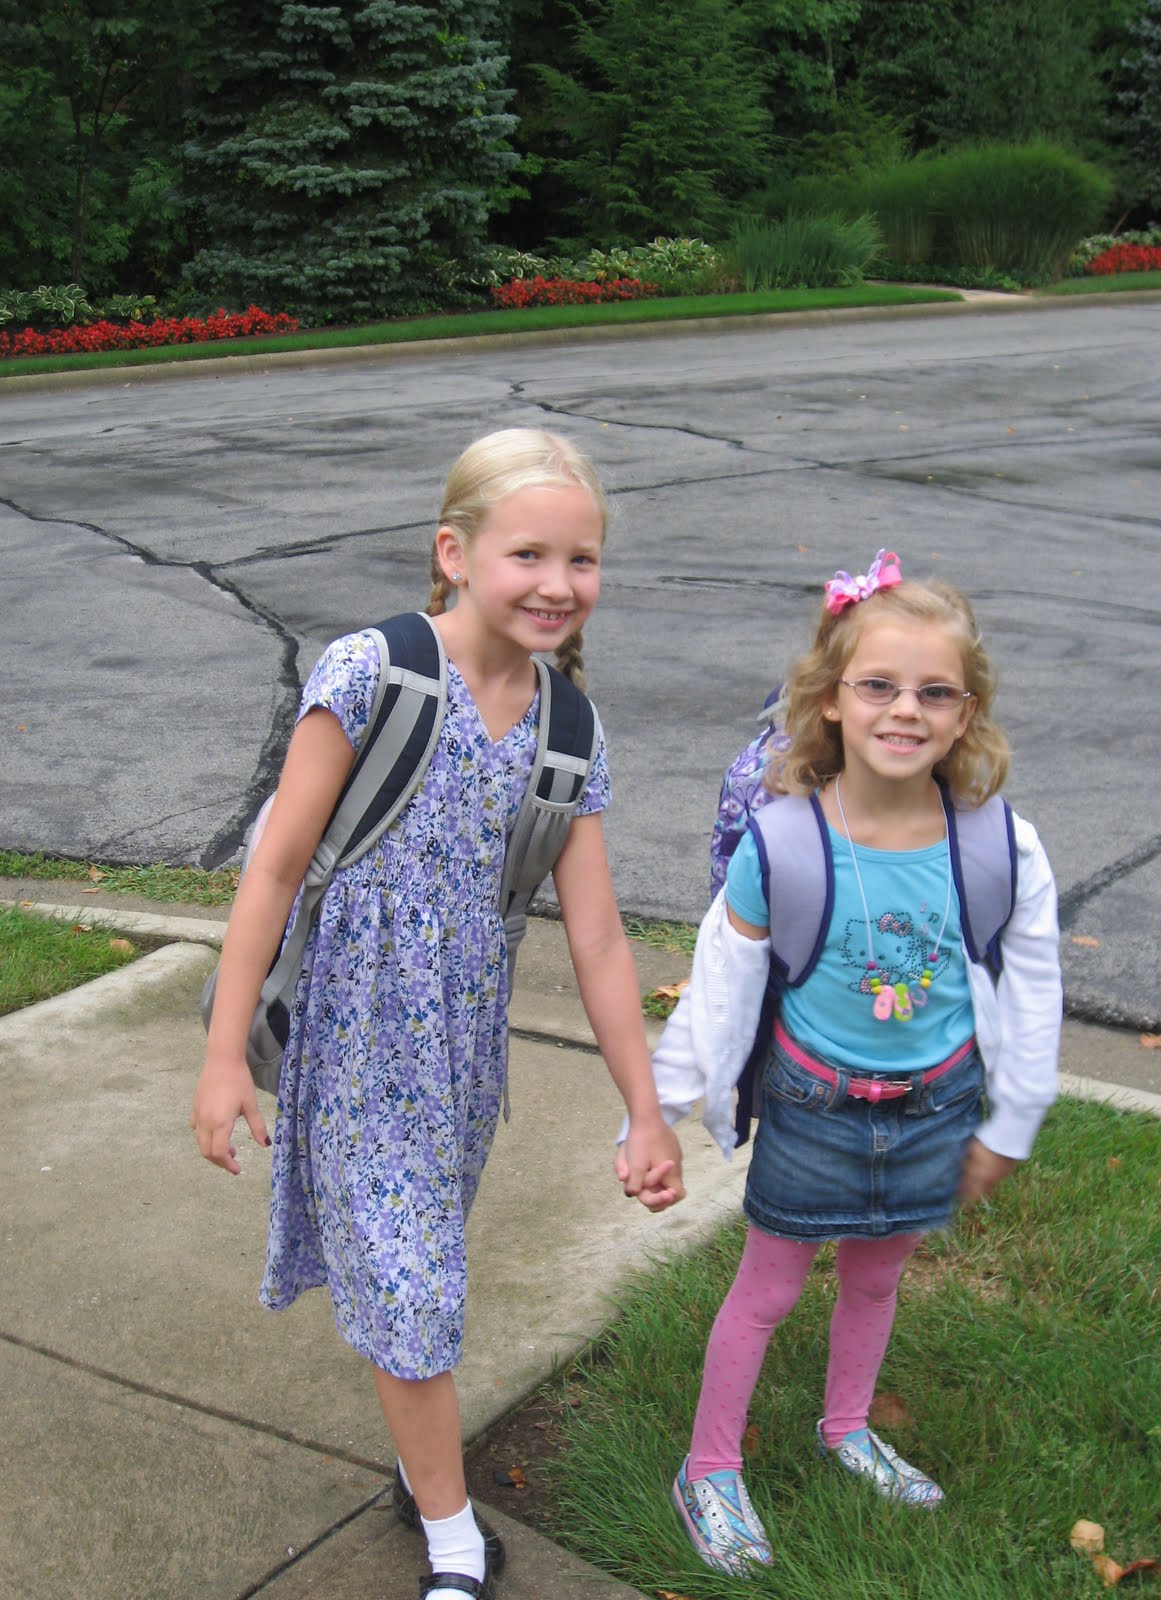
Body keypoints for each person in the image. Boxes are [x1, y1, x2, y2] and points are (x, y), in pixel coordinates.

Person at [191, 428, 685, 1600]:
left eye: (584, 559)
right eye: (529, 553)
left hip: (460, 1056)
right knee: (415, 1293)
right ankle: (456, 1538)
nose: (559, 584)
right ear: (454, 553)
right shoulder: (376, 673)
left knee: (413, 1273)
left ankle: (417, 1467)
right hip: (352, 1033)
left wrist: (645, 1109)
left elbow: (602, 936)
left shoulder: (571, 732)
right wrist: (222, 1056)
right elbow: (274, 865)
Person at [653, 550, 1061, 1576]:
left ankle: (845, 1427)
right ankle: (709, 1466)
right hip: (813, 1103)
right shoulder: (783, 842)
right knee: (769, 1290)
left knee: (877, 1282)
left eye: (935, 692)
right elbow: (722, 979)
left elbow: (1033, 986)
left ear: (967, 713)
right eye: (878, 685)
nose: (905, 710)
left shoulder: (1002, 848)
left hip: (934, 1108)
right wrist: (672, 1103)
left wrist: (1008, 1121)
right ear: (830, 700)